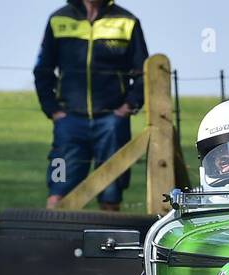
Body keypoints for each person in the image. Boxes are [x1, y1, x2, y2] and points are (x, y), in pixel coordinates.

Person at [34, 0, 146, 212]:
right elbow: (42, 70)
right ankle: (54, 242)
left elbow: (143, 73)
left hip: (112, 124)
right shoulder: (58, 19)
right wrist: (54, 110)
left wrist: (127, 107)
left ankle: (108, 244)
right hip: (68, 123)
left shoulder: (128, 21)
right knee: (58, 191)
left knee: (111, 196)